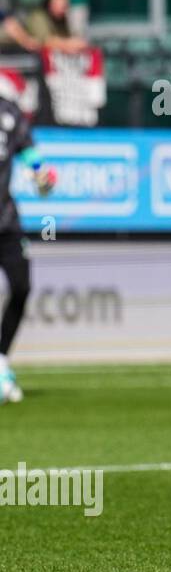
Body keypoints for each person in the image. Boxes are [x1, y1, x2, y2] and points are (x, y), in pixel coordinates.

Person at [0, 77, 56, 404]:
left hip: (6, 223)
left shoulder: (8, 114)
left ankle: (1, 358)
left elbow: (30, 153)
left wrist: (41, 175)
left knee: (21, 287)